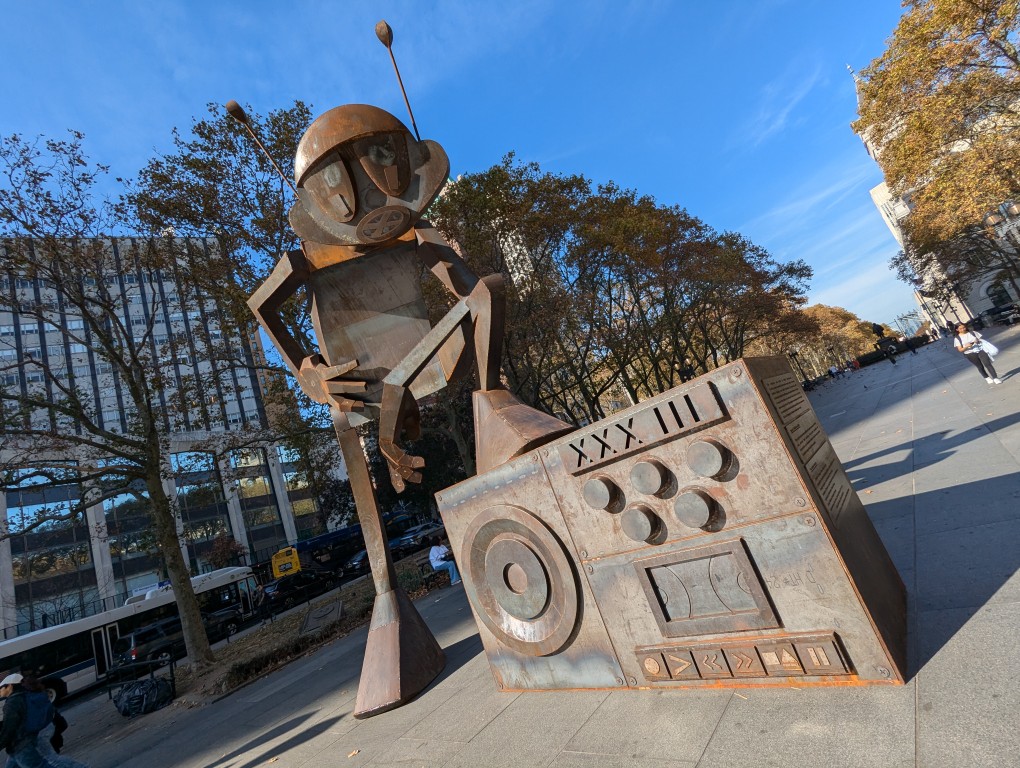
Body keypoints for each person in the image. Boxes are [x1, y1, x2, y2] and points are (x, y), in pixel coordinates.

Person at [0, 673, 55, 768]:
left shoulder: (12, 703)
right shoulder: (24, 696)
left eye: (1, 688)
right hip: (21, 744)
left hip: (21, 745)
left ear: (9, 686)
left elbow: (9, 727)